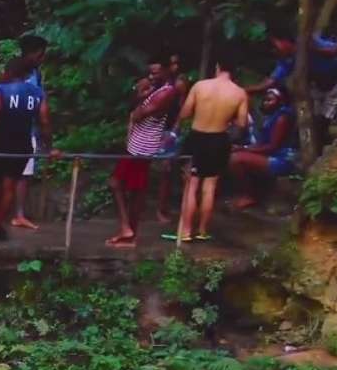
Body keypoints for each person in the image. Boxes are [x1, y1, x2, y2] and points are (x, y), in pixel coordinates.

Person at [0, 57, 58, 243]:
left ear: (9, 72)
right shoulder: (38, 93)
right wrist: (49, 148)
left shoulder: (0, 91)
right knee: (9, 187)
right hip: (22, 145)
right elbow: (45, 122)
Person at [167, 53, 249, 243]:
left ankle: (186, 231)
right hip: (219, 139)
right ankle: (203, 230)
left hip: (198, 137)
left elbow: (185, 113)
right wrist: (227, 117)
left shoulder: (200, 86)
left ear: (218, 67)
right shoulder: (239, 93)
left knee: (191, 185)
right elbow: (242, 123)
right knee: (209, 186)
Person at [107, 57, 176, 247]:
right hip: (137, 145)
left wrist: (141, 94)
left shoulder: (166, 92)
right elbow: (135, 108)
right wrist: (141, 95)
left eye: (155, 73)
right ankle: (130, 234)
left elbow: (137, 115)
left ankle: (127, 229)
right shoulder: (156, 91)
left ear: (166, 71)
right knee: (135, 190)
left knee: (116, 183)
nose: (151, 77)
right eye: (150, 73)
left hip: (142, 148)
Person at [244, 33, 337, 147]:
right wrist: (244, 90)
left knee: (324, 121)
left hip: (336, 85)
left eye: (275, 46)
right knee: (314, 121)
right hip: (316, 88)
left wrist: (314, 49)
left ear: (285, 41)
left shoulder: (310, 42)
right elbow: (270, 82)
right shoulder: (286, 60)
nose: (274, 51)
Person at [229, 88, 299, 210]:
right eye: (265, 100)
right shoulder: (271, 117)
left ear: (280, 102)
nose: (266, 102)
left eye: (270, 100)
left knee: (235, 159)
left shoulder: (282, 118)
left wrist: (245, 150)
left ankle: (249, 195)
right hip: (271, 155)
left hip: (281, 159)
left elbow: (272, 147)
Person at [11, 34, 49, 231]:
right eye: (40, 54)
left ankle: (18, 214)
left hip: (26, 128)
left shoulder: (35, 73)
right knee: (16, 173)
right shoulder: (18, 72)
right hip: (17, 129)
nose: (42, 58)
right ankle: (12, 214)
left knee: (23, 173)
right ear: (32, 53)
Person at [155, 52, 191, 223]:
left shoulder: (180, 83)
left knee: (167, 170)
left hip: (170, 132)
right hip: (154, 130)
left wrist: (174, 132)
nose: (175, 67)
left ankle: (163, 209)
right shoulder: (157, 81)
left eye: (177, 63)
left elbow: (183, 111)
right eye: (172, 64)